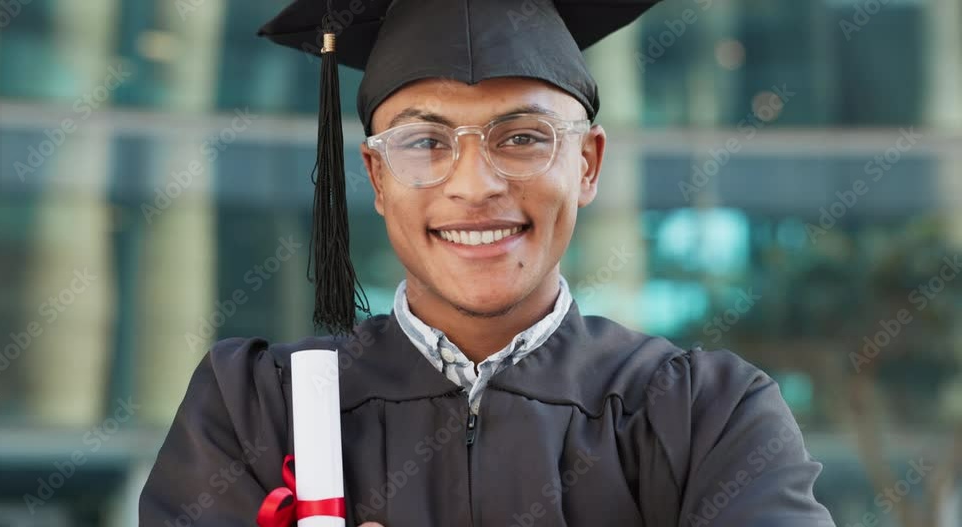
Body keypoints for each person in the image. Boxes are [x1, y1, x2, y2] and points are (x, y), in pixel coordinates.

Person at [139, 0, 837, 525]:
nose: (475, 185)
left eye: (524, 137)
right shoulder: (254, 409)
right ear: (377, 179)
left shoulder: (708, 418)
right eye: (424, 143)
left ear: (588, 164)